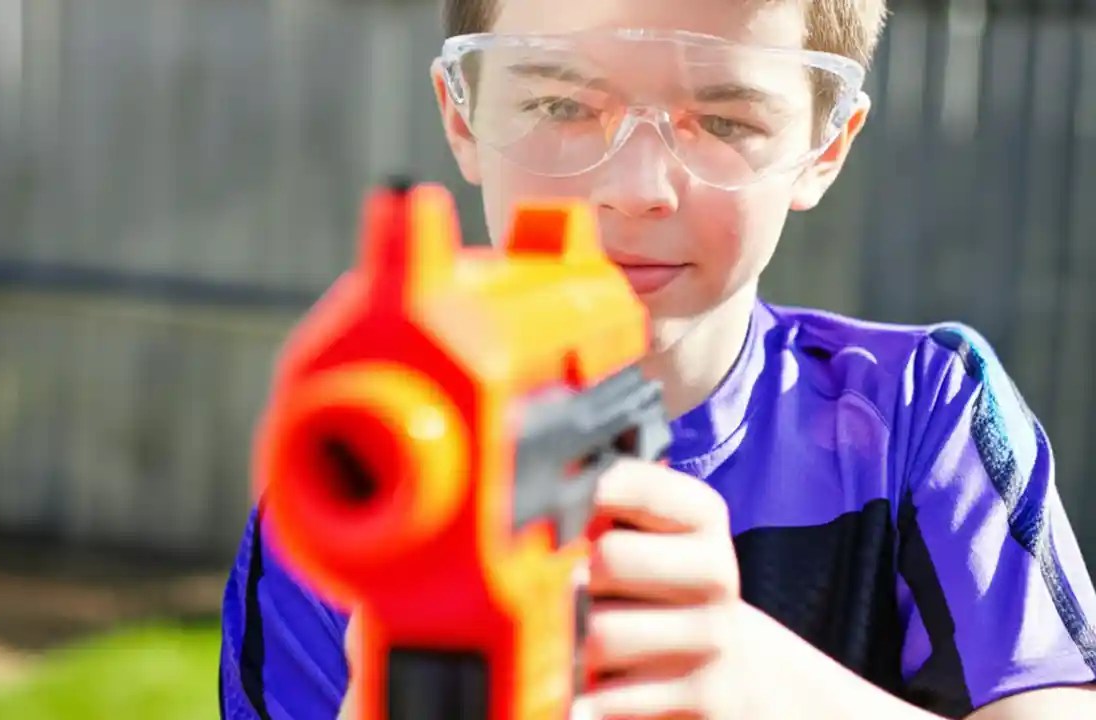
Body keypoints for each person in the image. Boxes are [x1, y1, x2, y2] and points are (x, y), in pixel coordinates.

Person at [219, 0, 1096, 718]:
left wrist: (761, 687)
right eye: (562, 106)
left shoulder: (920, 415)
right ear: (461, 113)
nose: (636, 188)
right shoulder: (362, 481)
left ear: (824, 146)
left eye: (722, 118)